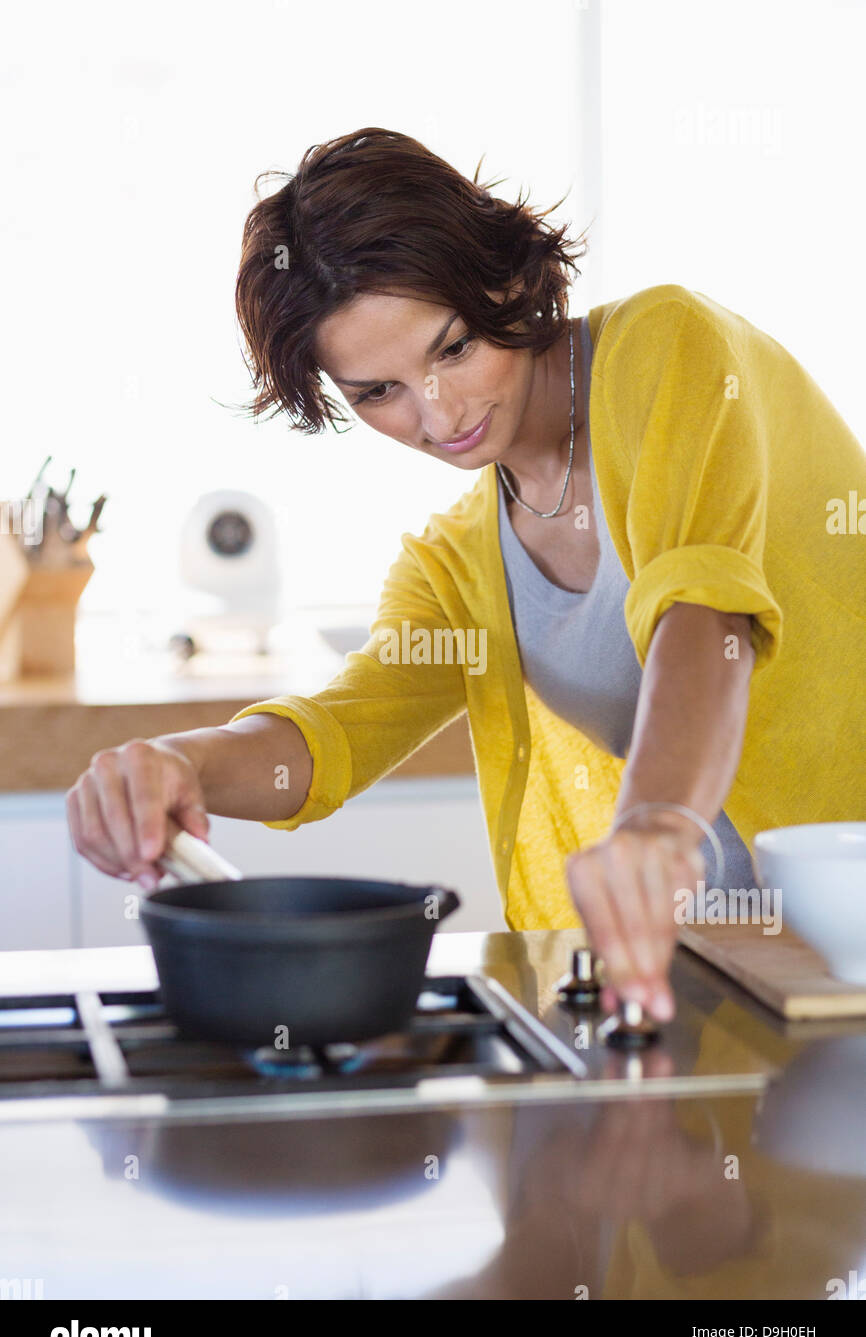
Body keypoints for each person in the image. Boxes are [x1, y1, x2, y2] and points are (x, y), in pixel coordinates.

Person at [66, 127, 866, 1022]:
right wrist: (177, 766)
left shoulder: (666, 353)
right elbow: (328, 745)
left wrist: (653, 827)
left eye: (451, 349)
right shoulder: (458, 562)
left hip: (845, 946)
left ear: (507, 282)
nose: (436, 414)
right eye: (378, 392)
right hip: (703, 973)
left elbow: (706, 619)